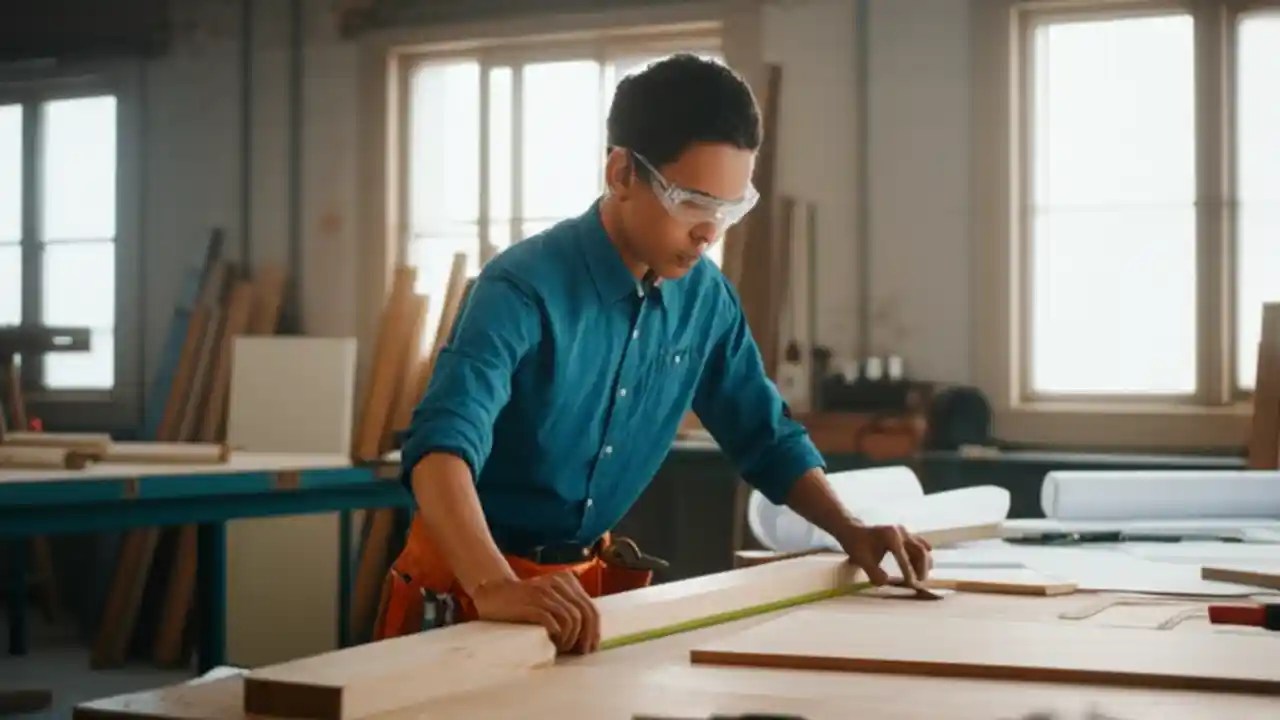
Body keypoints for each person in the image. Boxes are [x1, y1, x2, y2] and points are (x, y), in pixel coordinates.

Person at [374, 53, 933, 653]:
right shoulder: (522, 288)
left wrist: (849, 530)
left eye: (728, 208)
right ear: (621, 174)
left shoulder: (705, 299)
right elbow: (441, 449)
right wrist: (493, 582)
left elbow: (765, 436)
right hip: (466, 585)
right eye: (692, 202)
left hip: (576, 593)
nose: (710, 232)